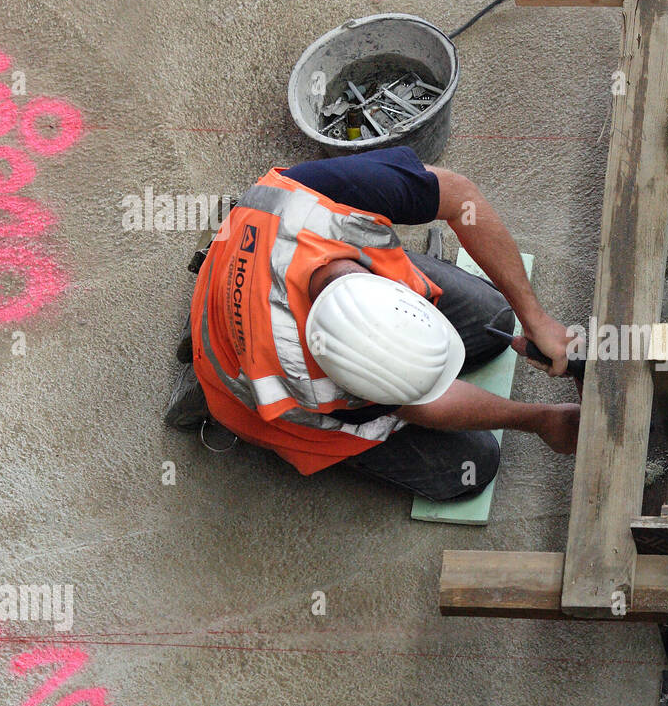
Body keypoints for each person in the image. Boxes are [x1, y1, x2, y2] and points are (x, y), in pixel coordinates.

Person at [168, 146, 578, 501]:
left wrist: (535, 318)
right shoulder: (318, 383)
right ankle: (216, 398)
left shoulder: (320, 195)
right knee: (473, 464)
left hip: (262, 257)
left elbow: (458, 196)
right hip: (242, 379)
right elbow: (424, 407)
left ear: (381, 286)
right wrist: (538, 419)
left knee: (494, 317)